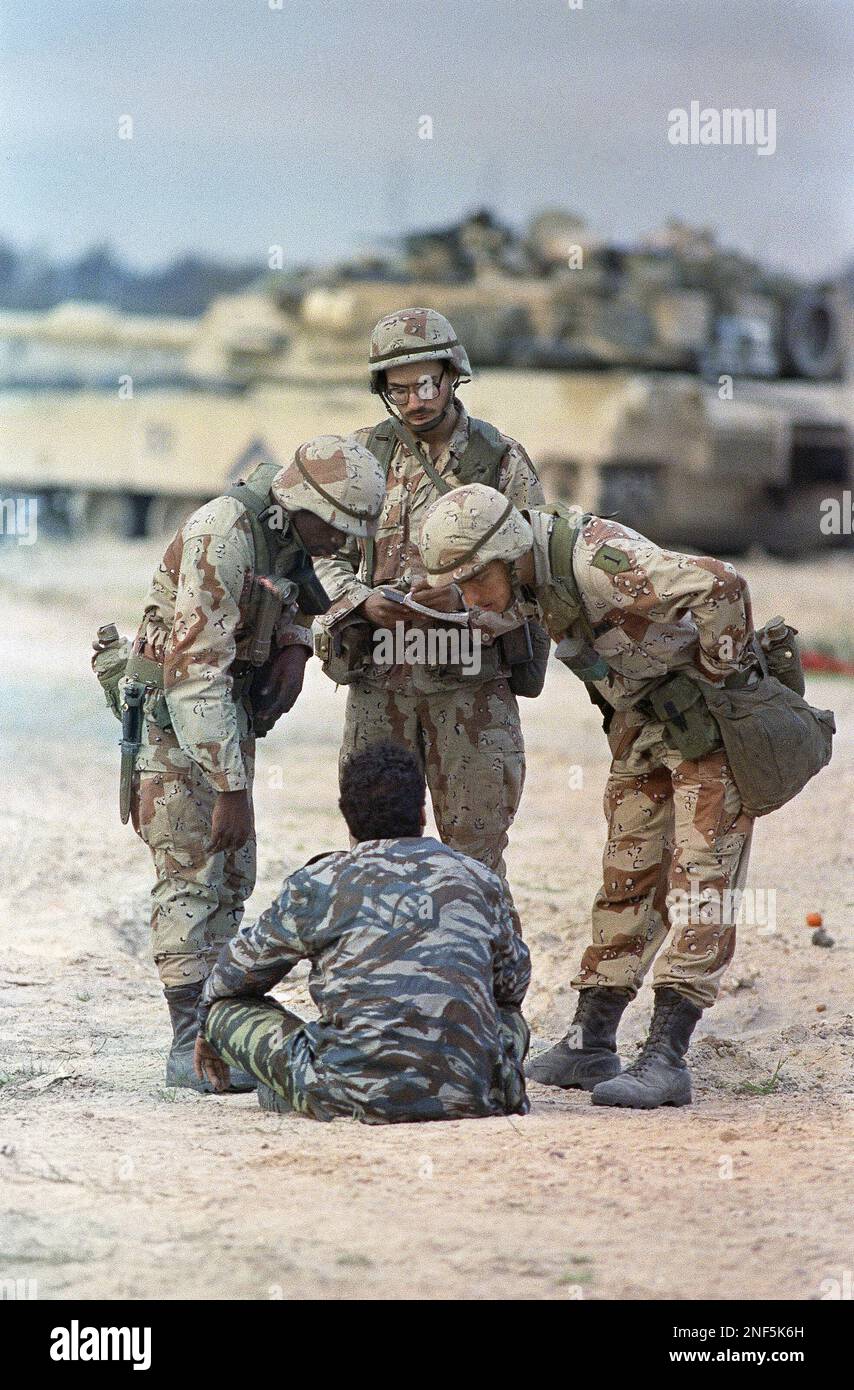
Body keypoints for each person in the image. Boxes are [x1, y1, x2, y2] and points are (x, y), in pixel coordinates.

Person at [418, 483, 757, 1109]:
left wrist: (720, 681)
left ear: (507, 550)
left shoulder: (600, 564)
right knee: (627, 875)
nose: (469, 598)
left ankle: (667, 1055)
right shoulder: (527, 578)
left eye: (471, 581)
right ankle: (591, 1039)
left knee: (702, 881)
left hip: (708, 730)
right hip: (645, 728)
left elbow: (724, 587)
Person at [129, 435, 386, 1092]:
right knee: (192, 871)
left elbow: (294, 597)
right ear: (303, 504)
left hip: (224, 716)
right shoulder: (226, 531)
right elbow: (193, 676)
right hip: (180, 721)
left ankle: (214, 1026)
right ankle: (187, 1042)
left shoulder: (293, 531)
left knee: (232, 874)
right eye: (337, 526)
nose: (344, 542)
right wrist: (231, 788)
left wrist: (296, 648)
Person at [312, 308, 545, 935]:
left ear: (453, 375)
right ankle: (382, 988)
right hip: (380, 685)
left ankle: (495, 1010)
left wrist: (469, 609)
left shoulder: (501, 461)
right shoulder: (362, 456)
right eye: (398, 387)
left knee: (476, 859)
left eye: (426, 384)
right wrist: (360, 602)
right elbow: (322, 559)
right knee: (376, 853)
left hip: (470, 690)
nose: (414, 400)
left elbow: (536, 580)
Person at [193, 741, 531, 1123]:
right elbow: (512, 986)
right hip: (477, 1095)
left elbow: (233, 976)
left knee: (223, 1011)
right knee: (510, 1019)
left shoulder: (320, 883)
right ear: (422, 813)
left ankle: (292, 1087)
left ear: (347, 818)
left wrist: (208, 1025)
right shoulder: (478, 879)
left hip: (347, 1094)